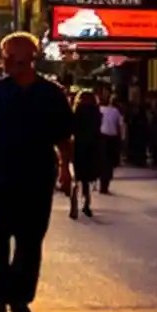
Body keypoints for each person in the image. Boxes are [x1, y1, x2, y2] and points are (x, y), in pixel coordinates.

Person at [0, 33, 73, 312]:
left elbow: (63, 137)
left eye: (12, 57)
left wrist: (65, 170)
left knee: (29, 240)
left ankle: (20, 298)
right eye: (5, 56)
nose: (5, 61)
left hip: (36, 178)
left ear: (30, 59)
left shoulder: (51, 94)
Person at [71, 90, 103, 218]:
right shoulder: (96, 112)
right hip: (93, 147)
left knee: (77, 176)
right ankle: (87, 203)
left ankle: (74, 202)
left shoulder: (76, 112)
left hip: (79, 146)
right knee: (87, 179)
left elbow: (72, 128)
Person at [98, 94, 123, 193]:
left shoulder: (100, 110)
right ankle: (105, 184)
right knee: (109, 163)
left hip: (101, 137)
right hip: (112, 138)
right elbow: (119, 127)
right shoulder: (116, 112)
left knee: (102, 161)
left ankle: (101, 182)